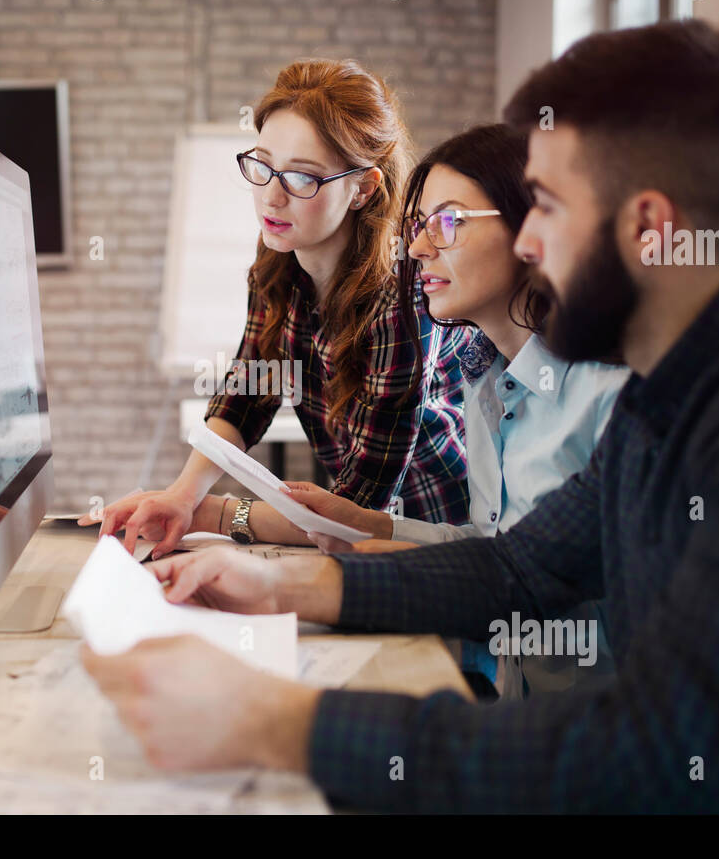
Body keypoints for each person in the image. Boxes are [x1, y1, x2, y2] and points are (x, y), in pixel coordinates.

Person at [80, 9, 719, 812]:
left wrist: (274, 720)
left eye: (544, 203)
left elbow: (663, 750)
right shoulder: (671, 387)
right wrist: (272, 587)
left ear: (650, 226)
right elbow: (521, 568)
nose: (527, 243)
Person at [176, 124, 629, 699]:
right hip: (529, 706)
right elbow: (492, 548)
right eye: (418, 225)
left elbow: (521, 576)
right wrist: (375, 527)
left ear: (535, 229)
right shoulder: (488, 382)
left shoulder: (611, 398)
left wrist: (276, 571)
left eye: (449, 222)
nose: (417, 248)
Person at [84, 58, 496, 559]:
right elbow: (249, 390)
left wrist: (215, 511)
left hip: (430, 536)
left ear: (362, 188)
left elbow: (354, 509)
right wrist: (180, 495)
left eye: (303, 178)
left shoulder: (400, 296)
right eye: (263, 166)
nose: (272, 198)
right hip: (351, 536)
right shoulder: (279, 259)